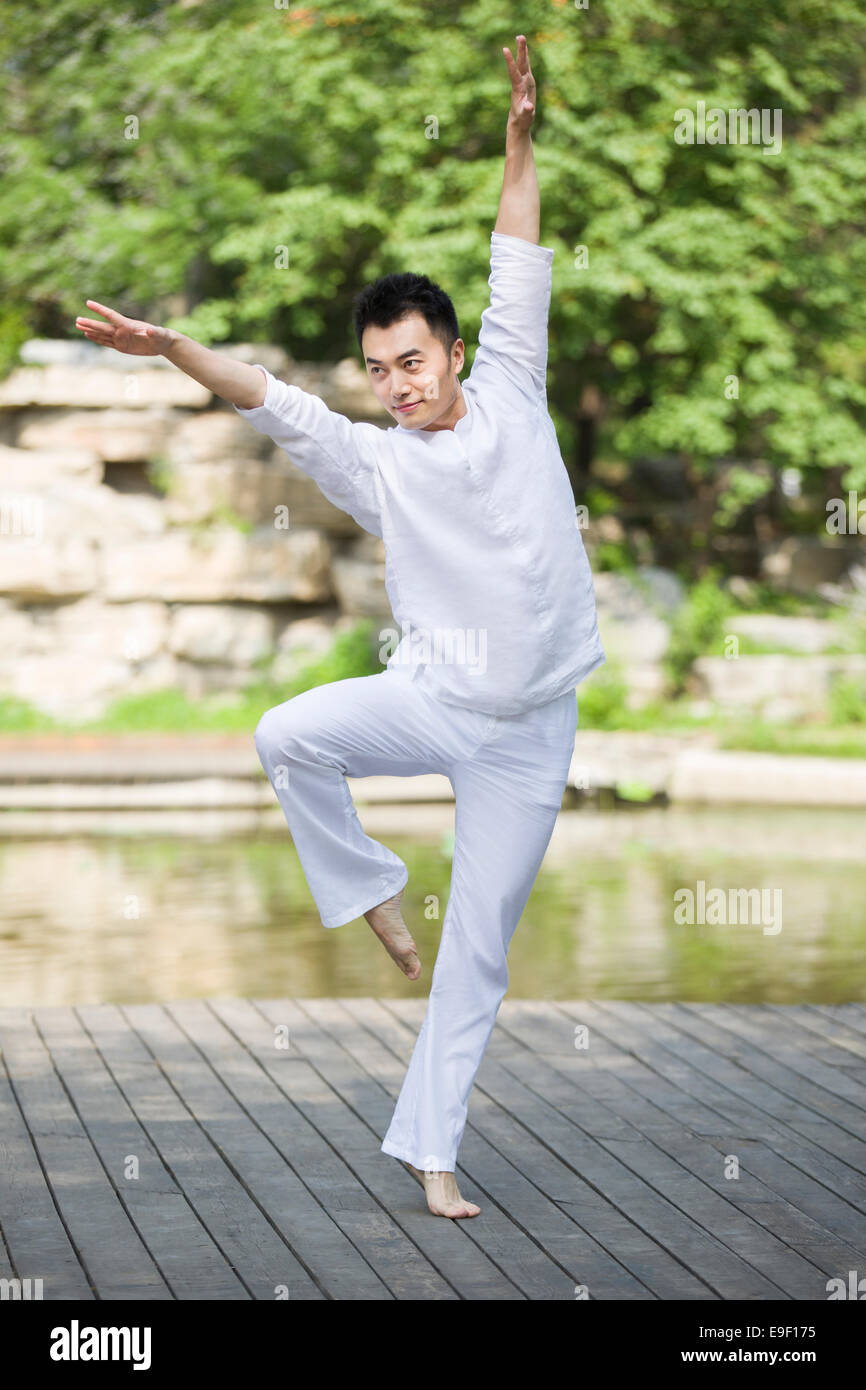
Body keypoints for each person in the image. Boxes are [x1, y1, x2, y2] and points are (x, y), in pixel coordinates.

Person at [74, 35, 605, 1220]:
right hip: (434, 698)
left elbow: (514, 248)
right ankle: (367, 880)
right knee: (286, 733)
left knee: (475, 951)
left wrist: (518, 140)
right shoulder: (373, 462)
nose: (396, 384)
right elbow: (271, 399)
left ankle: (431, 1152)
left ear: (452, 351)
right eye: (378, 371)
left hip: (528, 736)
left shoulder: (513, 379)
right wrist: (170, 349)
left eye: (410, 361)